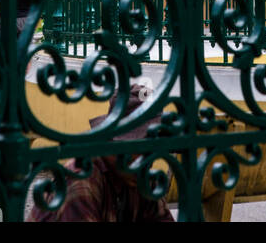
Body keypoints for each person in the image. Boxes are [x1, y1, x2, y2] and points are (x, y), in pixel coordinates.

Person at [28, 80, 174, 223]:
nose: (149, 158)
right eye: (140, 147)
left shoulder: (141, 176)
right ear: (113, 142)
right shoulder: (82, 178)